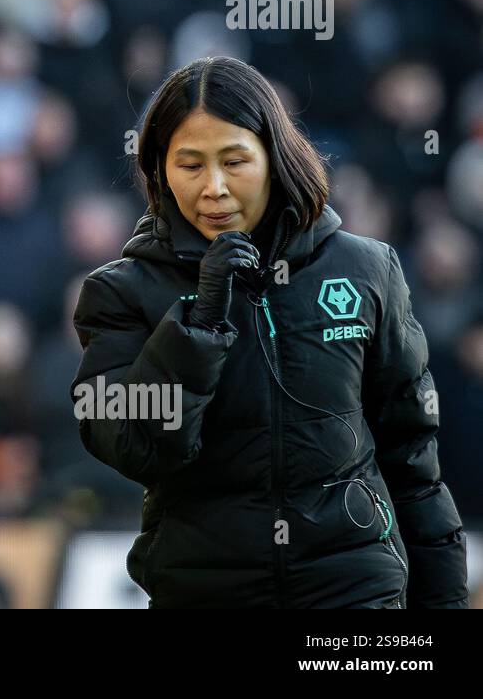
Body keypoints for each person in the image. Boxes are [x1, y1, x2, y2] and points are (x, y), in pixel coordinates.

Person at [72, 55, 468, 608]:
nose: (213, 188)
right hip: (205, 589)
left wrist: (443, 605)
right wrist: (199, 322)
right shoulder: (120, 293)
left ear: (275, 158)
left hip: (354, 588)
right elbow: (134, 448)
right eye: (189, 166)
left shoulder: (366, 268)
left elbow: (413, 462)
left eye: (235, 161)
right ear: (159, 169)